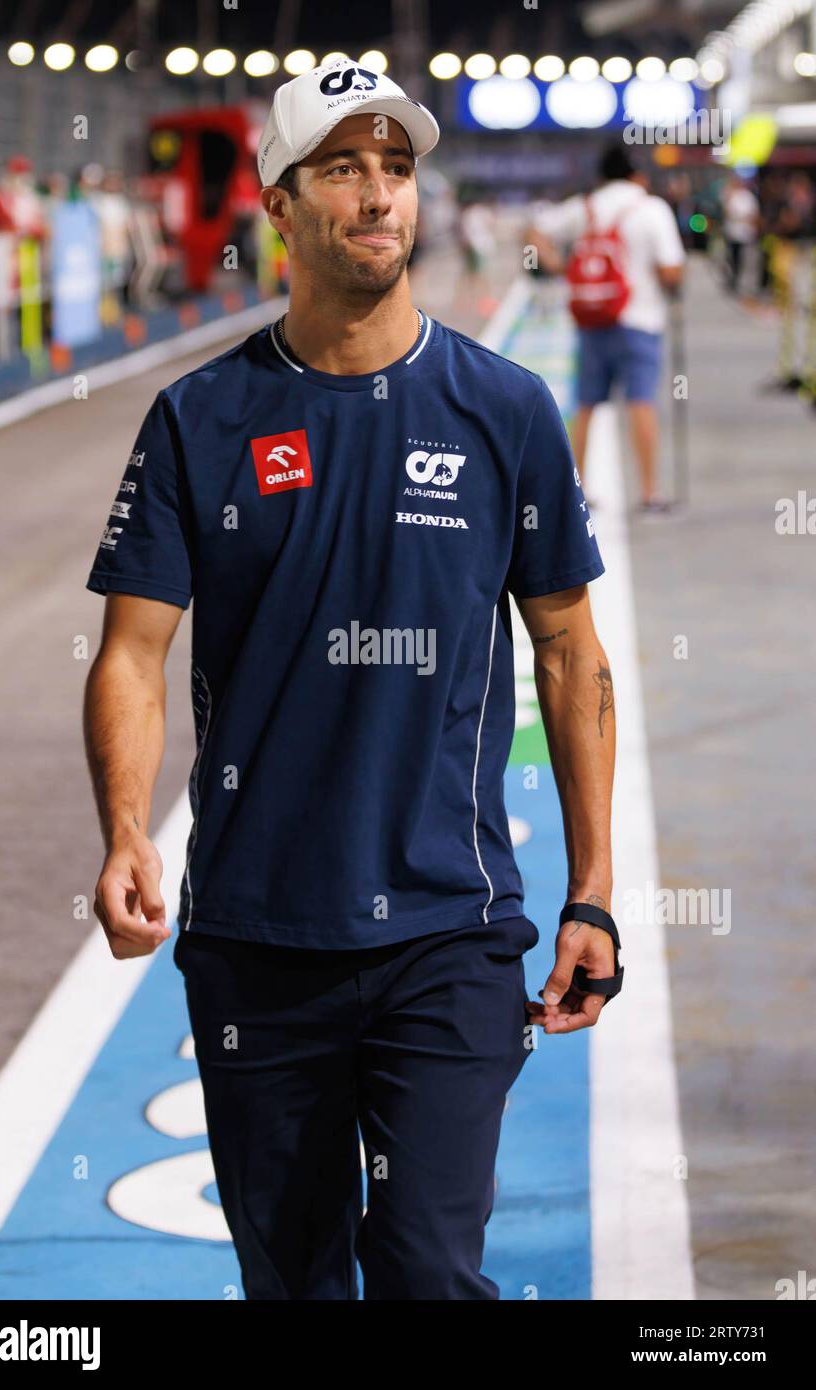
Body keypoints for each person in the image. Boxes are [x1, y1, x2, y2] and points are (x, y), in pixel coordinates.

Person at [83, 56, 621, 1301]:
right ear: (279, 204)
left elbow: (569, 651)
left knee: (432, 1271)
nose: (378, 195)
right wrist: (122, 830)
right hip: (257, 938)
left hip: (452, 929)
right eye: (341, 167)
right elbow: (131, 651)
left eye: (396, 167)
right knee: (298, 1285)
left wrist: (589, 893)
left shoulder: (505, 412)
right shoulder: (196, 420)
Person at [526, 145, 686, 516]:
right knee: (641, 401)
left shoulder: (585, 207)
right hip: (639, 321)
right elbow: (671, 269)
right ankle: (648, 492)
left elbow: (535, 230)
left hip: (591, 320)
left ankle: (576, 489)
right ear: (639, 176)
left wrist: (558, 266)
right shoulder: (650, 209)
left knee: (586, 405)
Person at [721, 172, 759, 295]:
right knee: (732, 257)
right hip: (732, 233)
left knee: (744, 259)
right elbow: (726, 211)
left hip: (745, 234)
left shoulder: (748, 197)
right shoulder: (730, 195)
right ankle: (732, 280)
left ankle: (743, 283)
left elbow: (753, 215)